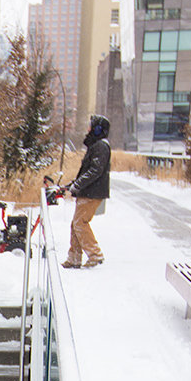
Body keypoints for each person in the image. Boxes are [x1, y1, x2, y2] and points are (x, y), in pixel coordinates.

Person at [61, 114, 111, 268]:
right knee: (76, 224)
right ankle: (74, 258)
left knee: (80, 223)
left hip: (92, 193)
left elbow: (95, 171)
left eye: (91, 126)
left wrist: (78, 185)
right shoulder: (95, 146)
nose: (88, 129)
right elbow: (86, 172)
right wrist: (72, 185)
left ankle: (95, 254)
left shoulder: (100, 146)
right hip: (87, 192)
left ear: (97, 129)